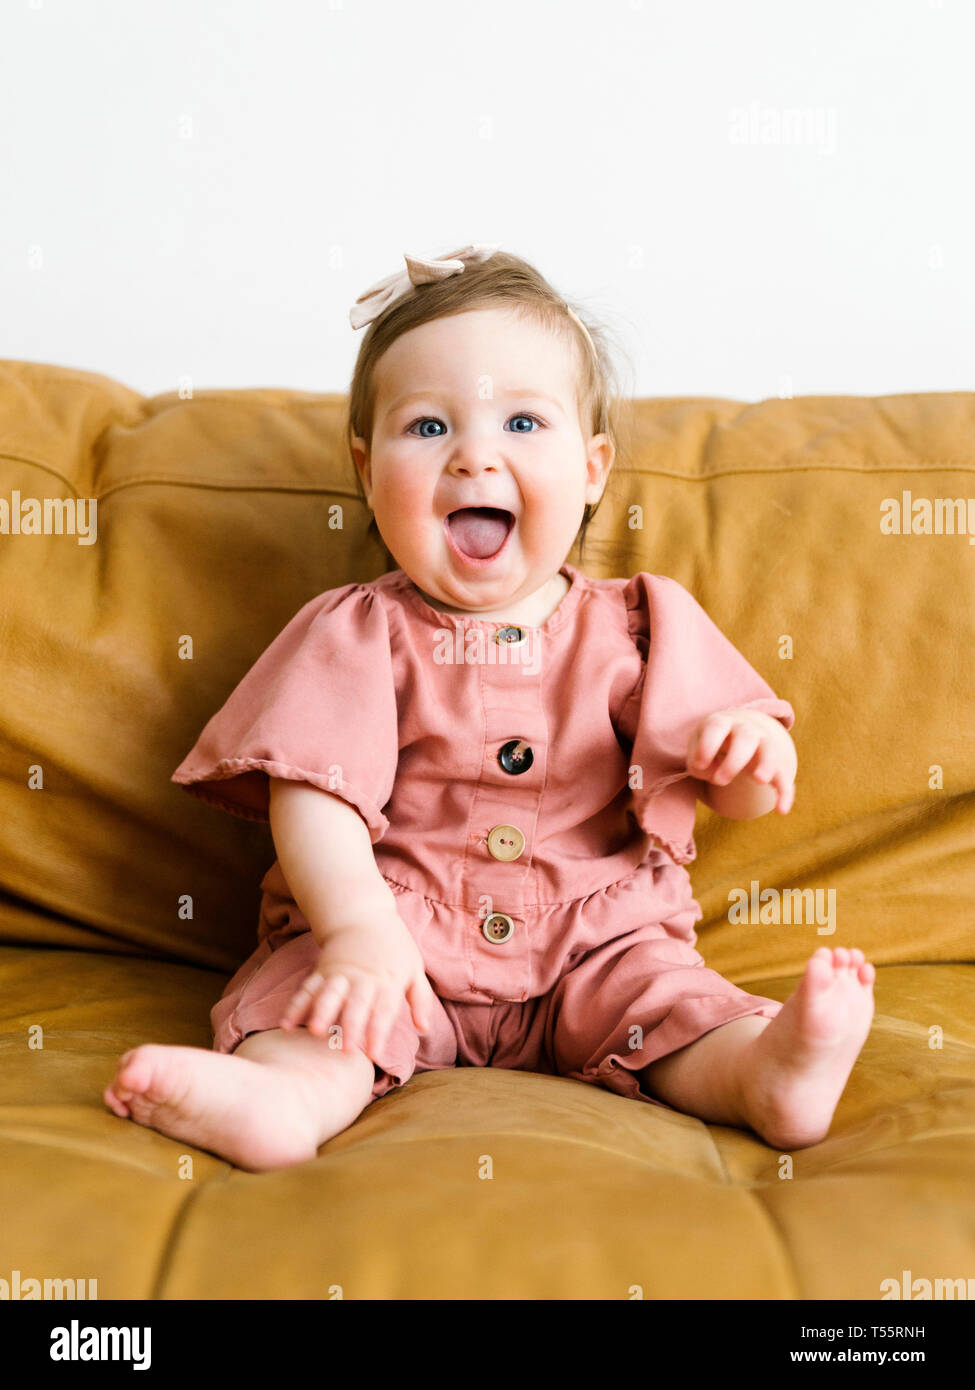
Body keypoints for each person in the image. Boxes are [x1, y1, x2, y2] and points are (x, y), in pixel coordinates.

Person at [104, 245, 875, 1172]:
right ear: (365, 465)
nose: (475, 455)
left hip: (596, 939)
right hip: (396, 940)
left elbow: (733, 799)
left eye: (520, 420)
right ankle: (284, 1097)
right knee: (322, 1005)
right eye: (427, 428)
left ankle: (763, 1072)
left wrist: (746, 758)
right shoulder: (357, 632)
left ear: (592, 469)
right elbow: (313, 797)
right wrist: (357, 934)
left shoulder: (640, 624)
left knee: (669, 1003)